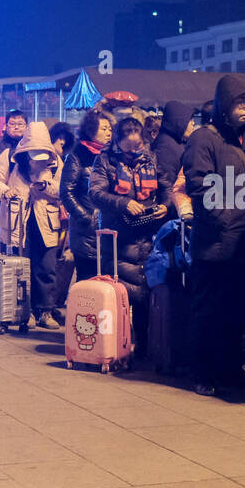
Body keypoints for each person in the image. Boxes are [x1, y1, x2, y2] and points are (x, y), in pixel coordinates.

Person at [183, 77, 245, 395]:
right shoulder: (205, 138)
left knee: (239, 311)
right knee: (208, 311)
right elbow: (199, 185)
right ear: (224, 104)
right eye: (240, 102)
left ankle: (232, 369)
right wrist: (226, 220)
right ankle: (202, 373)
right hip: (215, 244)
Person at [89, 115, 168, 354]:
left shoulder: (151, 158)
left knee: (145, 292)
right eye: (129, 146)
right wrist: (123, 203)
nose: (135, 150)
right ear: (118, 141)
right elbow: (95, 193)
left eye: (138, 145)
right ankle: (117, 344)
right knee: (120, 295)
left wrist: (165, 205)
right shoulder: (104, 161)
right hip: (117, 239)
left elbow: (166, 186)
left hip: (147, 237)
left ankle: (143, 346)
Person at [0, 122, 65, 329]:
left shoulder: (56, 161)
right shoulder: (8, 158)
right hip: (17, 222)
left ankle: (45, 311)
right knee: (20, 268)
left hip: (46, 222)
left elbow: (63, 189)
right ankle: (24, 311)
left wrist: (46, 186)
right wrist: (6, 192)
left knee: (47, 268)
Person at [60, 110, 114, 281]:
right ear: (91, 130)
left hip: (109, 228)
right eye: (104, 128)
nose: (108, 132)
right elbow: (66, 191)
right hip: (86, 230)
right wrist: (85, 217)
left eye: (110, 129)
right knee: (87, 280)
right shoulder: (78, 156)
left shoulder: (111, 156)